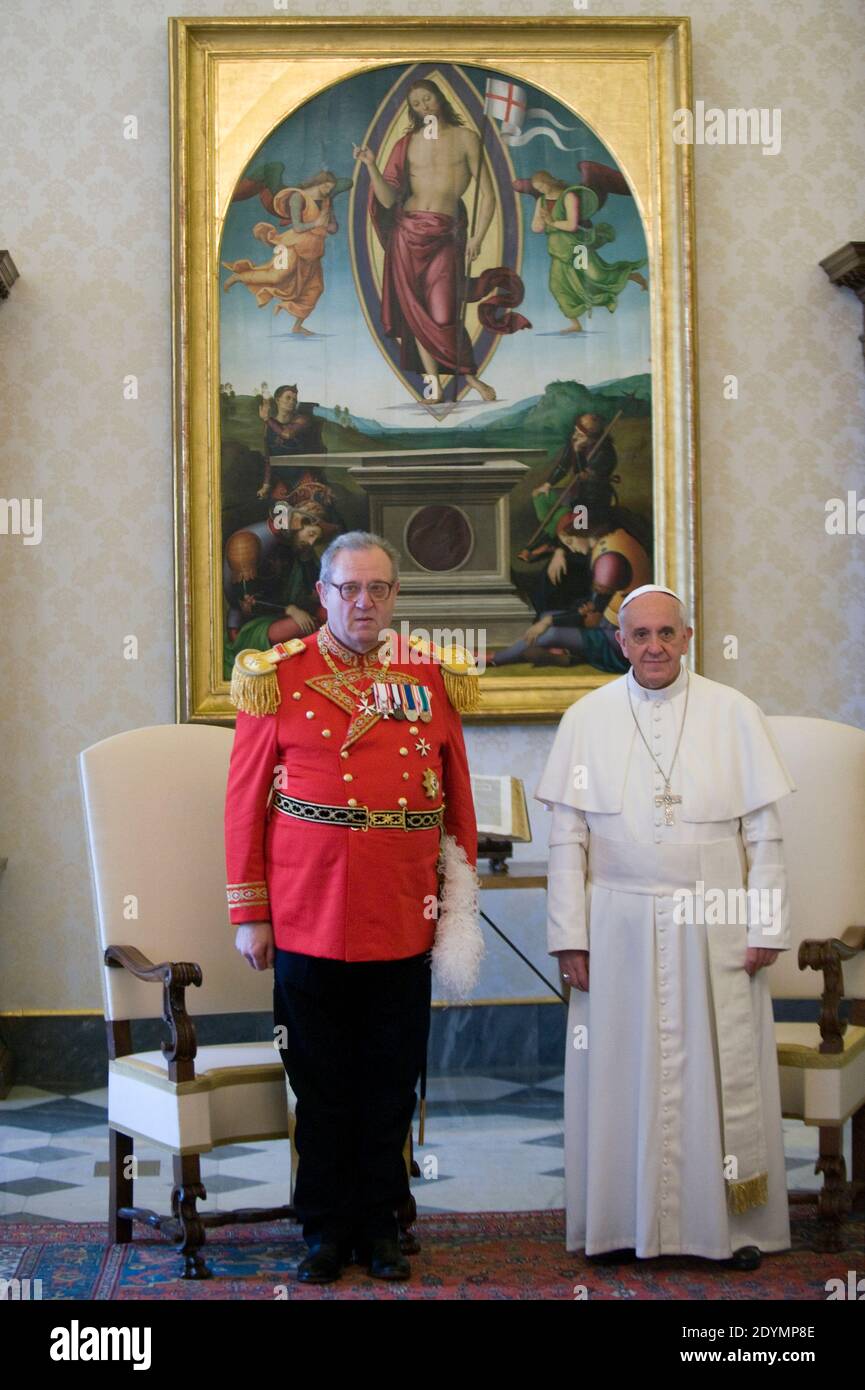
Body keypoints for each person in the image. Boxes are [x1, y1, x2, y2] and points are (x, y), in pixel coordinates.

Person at [224, 530, 481, 1284]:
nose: (363, 602)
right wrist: (250, 911)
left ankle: (383, 1222)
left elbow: (455, 797)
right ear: (322, 595)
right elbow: (244, 806)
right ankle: (324, 1228)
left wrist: (458, 905)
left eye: (377, 589)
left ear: (394, 596)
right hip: (307, 908)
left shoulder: (430, 677)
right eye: (348, 589)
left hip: (404, 906)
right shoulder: (277, 677)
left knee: (391, 1077)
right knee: (320, 1080)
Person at [534, 585, 795, 1268]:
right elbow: (567, 841)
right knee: (619, 1074)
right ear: (619, 642)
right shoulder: (586, 718)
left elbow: (764, 836)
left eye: (665, 634)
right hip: (614, 923)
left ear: (687, 636)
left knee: (717, 1074)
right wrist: (569, 935)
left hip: (715, 922)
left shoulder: (733, 713)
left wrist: (764, 921)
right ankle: (620, 1225)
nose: (653, 647)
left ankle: (731, 1229)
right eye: (639, 635)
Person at [356, 79, 529, 403]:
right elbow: (388, 197)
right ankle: (434, 384)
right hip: (407, 234)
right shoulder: (404, 144)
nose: (423, 107)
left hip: (446, 235)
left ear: (441, 100)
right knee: (415, 314)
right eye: (417, 104)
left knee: (442, 313)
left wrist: (478, 237)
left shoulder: (466, 138)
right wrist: (371, 167)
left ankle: (470, 378)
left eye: (427, 99)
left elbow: (488, 195)